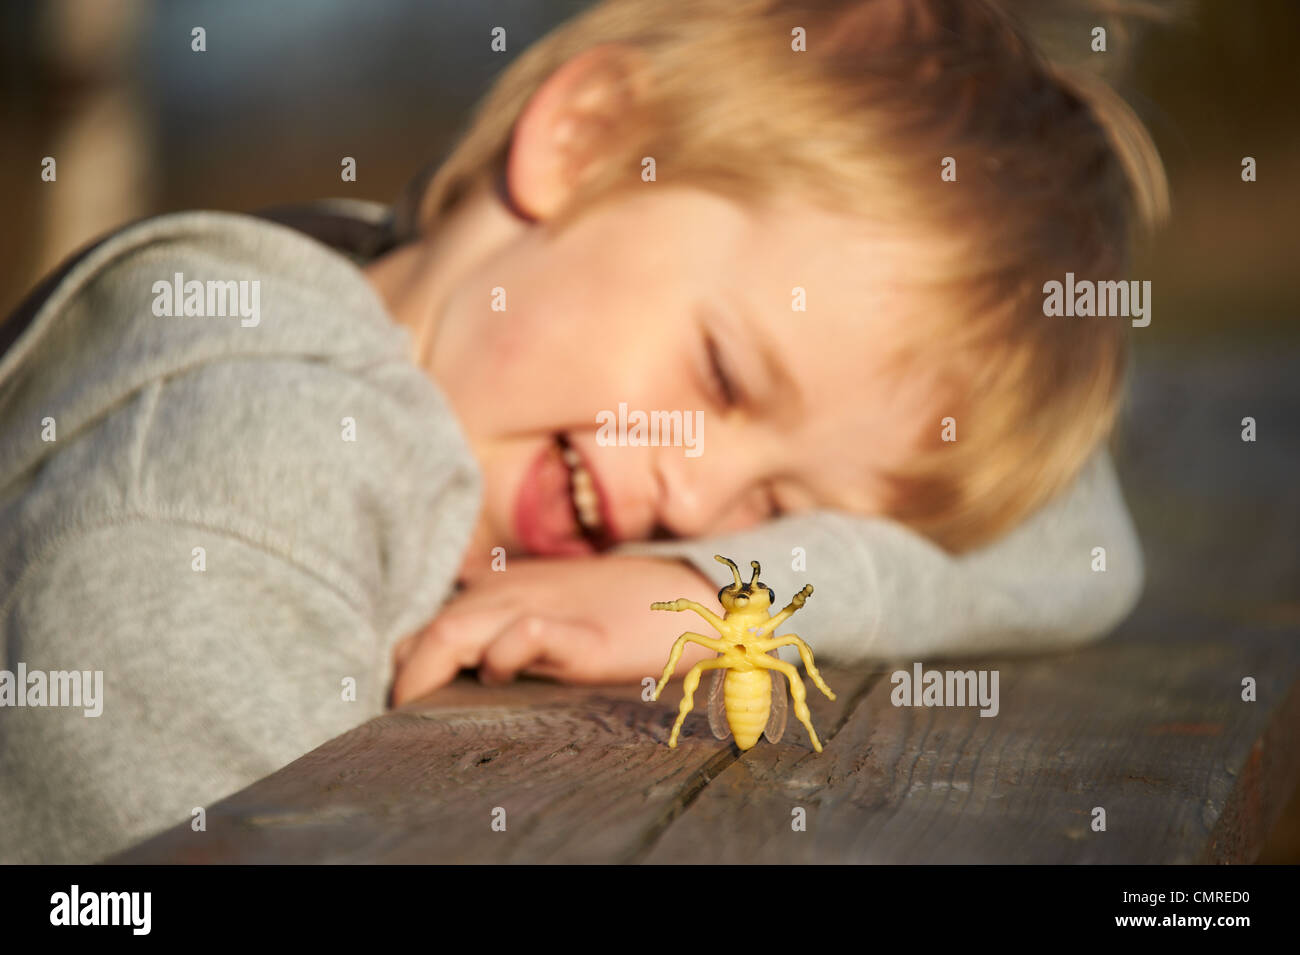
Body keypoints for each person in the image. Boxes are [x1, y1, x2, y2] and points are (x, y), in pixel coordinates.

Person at [0, 0, 1165, 863]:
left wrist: (700, 584)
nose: (702, 499)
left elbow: (1077, 533)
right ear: (586, 138)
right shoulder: (237, 499)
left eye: (780, 509)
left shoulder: (378, 294)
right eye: (720, 377)